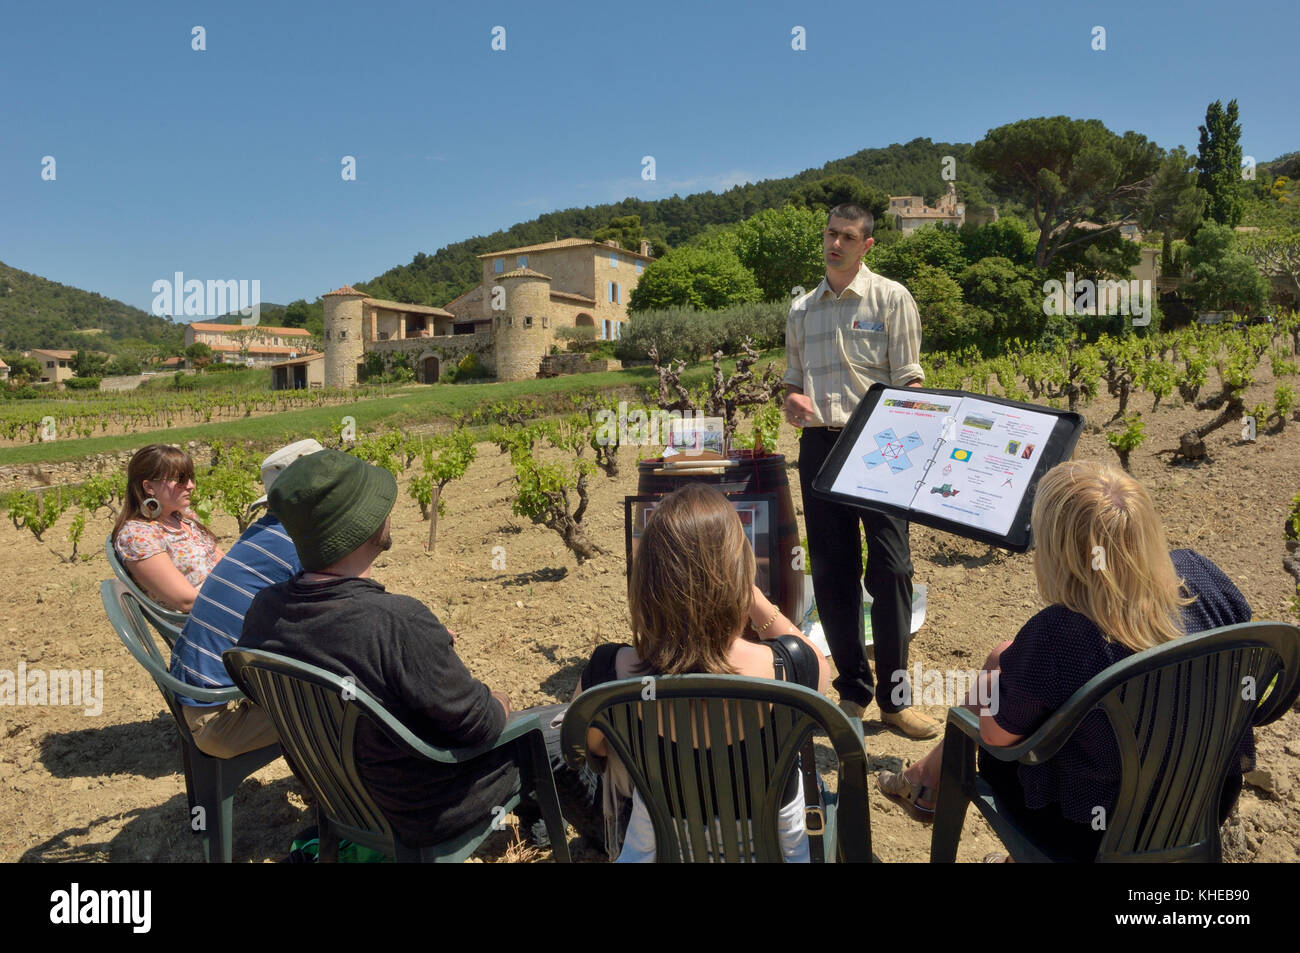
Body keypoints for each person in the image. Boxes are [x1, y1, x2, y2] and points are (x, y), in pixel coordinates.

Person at [875, 461, 1254, 862]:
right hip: (1205, 801)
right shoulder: (1202, 577)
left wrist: (994, 671)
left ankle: (924, 783)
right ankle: (924, 780)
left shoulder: (1060, 632)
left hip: (1093, 831)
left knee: (997, 691)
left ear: (1058, 549)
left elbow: (995, 737)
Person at [237, 449, 544, 849]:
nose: (387, 512)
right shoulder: (396, 621)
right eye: (378, 506)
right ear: (361, 527)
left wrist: (422, 654)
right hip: (421, 810)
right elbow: (480, 725)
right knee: (549, 729)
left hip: (338, 801)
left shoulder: (264, 611)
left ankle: (532, 835)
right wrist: (501, 700)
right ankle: (609, 840)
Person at [570, 482, 831, 861]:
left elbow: (588, 747)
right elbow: (820, 669)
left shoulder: (609, 673)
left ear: (646, 580)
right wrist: (757, 602)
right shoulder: (789, 666)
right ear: (741, 575)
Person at [782, 203, 939, 739]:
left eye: (848, 237)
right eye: (830, 234)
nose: (836, 244)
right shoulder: (801, 309)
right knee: (832, 571)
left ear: (867, 245)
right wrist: (793, 401)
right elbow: (792, 381)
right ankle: (852, 692)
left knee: (893, 569)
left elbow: (910, 378)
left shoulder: (892, 298)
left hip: (881, 447)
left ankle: (896, 702)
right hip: (821, 448)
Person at [170, 439, 324, 759]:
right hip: (219, 725)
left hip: (200, 702)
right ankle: (337, 799)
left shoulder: (266, 531)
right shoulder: (299, 542)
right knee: (338, 710)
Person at [112, 444, 223, 612]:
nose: (190, 485)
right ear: (149, 487)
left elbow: (225, 563)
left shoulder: (184, 517)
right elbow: (186, 601)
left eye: (191, 477)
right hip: (208, 622)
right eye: (180, 480)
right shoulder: (137, 536)